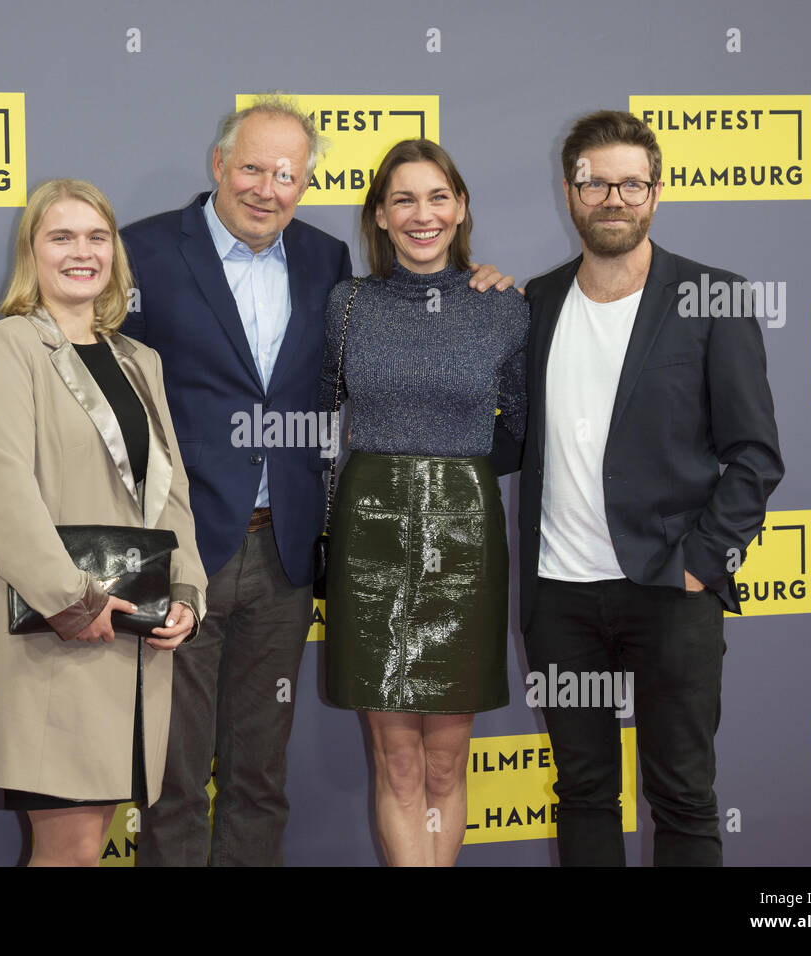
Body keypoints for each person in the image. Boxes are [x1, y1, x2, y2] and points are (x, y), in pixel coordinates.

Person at [121, 94, 514, 866]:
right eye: (253, 169)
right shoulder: (144, 252)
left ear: (304, 184)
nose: (268, 189)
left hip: (285, 554)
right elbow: (111, 401)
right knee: (172, 777)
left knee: (260, 777)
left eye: (287, 174)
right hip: (182, 549)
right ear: (218, 165)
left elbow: (338, 400)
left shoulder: (324, 262)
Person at [513, 110, 783, 866]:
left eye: (631, 184)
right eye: (595, 183)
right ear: (570, 192)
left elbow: (755, 455)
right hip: (560, 597)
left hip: (670, 590)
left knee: (683, 797)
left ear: (656, 194)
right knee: (584, 793)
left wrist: (702, 562)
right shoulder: (535, 303)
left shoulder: (713, 298)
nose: (613, 199)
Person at [0, 179, 206, 867]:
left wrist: (187, 592)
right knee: (67, 850)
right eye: (61, 237)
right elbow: (4, 492)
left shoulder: (139, 360)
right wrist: (75, 600)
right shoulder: (6, 346)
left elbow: (171, 493)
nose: (82, 252)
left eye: (97, 237)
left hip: (133, 642)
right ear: (31, 252)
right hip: (57, 636)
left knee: (87, 847)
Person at [321, 139, 528, 867]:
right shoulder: (348, 305)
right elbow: (319, 418)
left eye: (438, 197)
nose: (422, 214)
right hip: (369, 536)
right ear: (379, 215)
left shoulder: (502, 308)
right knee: (398, 761)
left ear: (461, 207)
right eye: (403, 199)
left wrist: (453, 470)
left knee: (444, 764)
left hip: (464, 538)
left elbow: (520, 430)